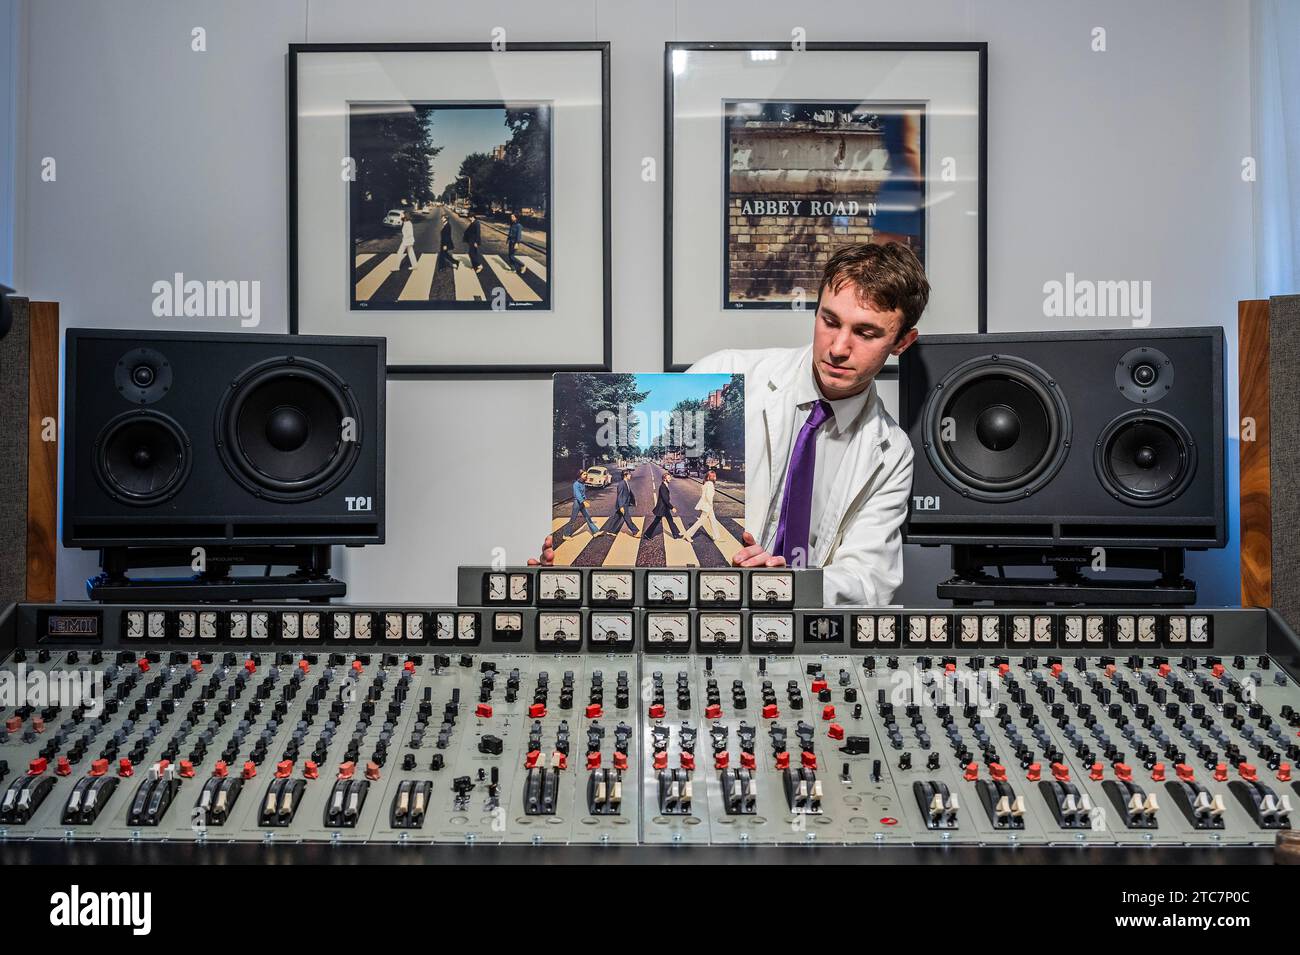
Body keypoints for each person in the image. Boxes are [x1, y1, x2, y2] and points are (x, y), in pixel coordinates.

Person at [532, 241, 928, 606]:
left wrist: (789, 584)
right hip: (694, 621)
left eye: (865, 333)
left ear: (902, 343)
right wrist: (568, 574)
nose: (839, 348)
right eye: (830, 320)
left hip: (796, 634)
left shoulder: (891, 452)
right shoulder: (726, 370)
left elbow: (869, 580)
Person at [555, 467, 600, 544]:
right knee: (573, 519)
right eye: (584, 474)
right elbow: (577, 495)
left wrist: (585, 499)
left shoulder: (582, 483)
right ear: (580, 475)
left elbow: (583, 494)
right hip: (577, 503)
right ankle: (566, 534)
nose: (586, 475)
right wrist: (583, 502)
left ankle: (595, 532)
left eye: (586, 474)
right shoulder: (576, 484)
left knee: (587, 517)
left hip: (581, 502)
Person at [598, 469, 640, 538]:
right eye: (629, 474)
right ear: (625, 475)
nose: (630, 475)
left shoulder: (626, 482)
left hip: (625, 503)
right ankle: (635, 531)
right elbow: (620, 496)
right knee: (627, 518)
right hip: (623, 504)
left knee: (617, 517)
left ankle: (611, 531)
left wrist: (633, 501)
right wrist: (621, 507)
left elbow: (629, 493)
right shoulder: (621, 484)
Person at [642, 471, 683, 540]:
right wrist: (672, 507)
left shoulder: (665, 485)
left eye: (670, 478)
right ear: (664, 479)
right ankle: (647, 534)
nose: (670, 479)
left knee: (670, 520)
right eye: (668, 478)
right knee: (656, 521)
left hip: (665, 508)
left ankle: (675, 534)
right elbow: (665, 499)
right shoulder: (663, 487)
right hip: (662, 508)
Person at [683, 472, 721, 542]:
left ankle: (717, 536)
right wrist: (710, 504)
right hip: (707, 506)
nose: (715, 477)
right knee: (701, 521)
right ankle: (688, 534)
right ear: (710, 477)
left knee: (713, 520)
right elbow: (708, 496)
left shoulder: (706, 483)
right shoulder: (710, 484)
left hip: (707, 505)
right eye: (714, 476)